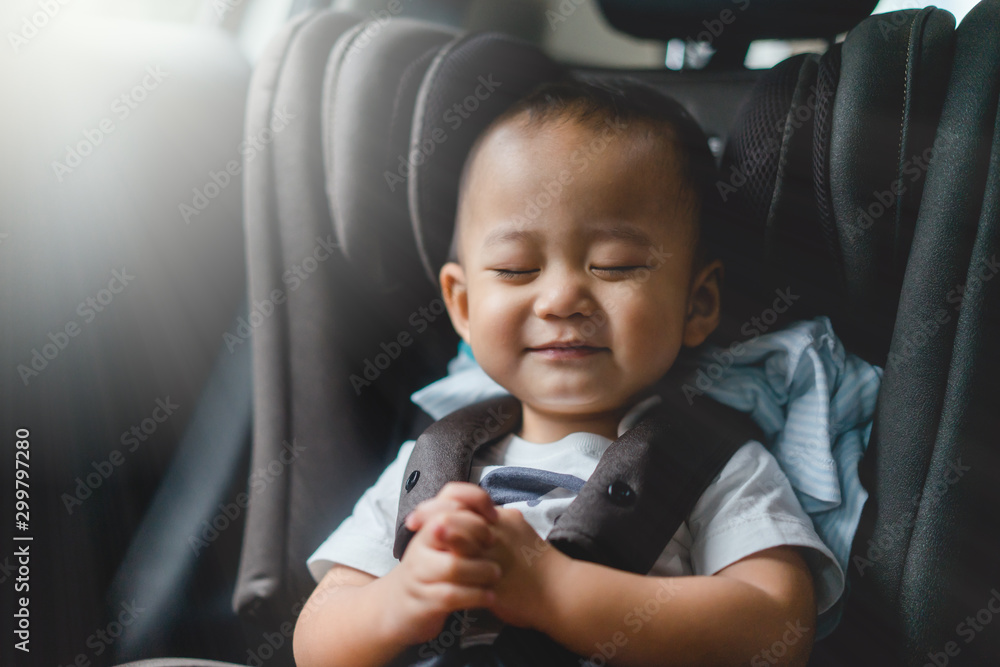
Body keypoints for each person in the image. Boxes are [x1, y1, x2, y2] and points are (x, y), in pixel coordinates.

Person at [293, 79, 840, 667]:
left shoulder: (713, 466)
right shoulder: (426, 466)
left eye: (615, 265)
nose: (560, 299)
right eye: (515, 268)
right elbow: (316, 638)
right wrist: (398, 601)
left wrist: (555, 592)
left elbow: (776, 627)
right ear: (464, 306)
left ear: (697, 303)